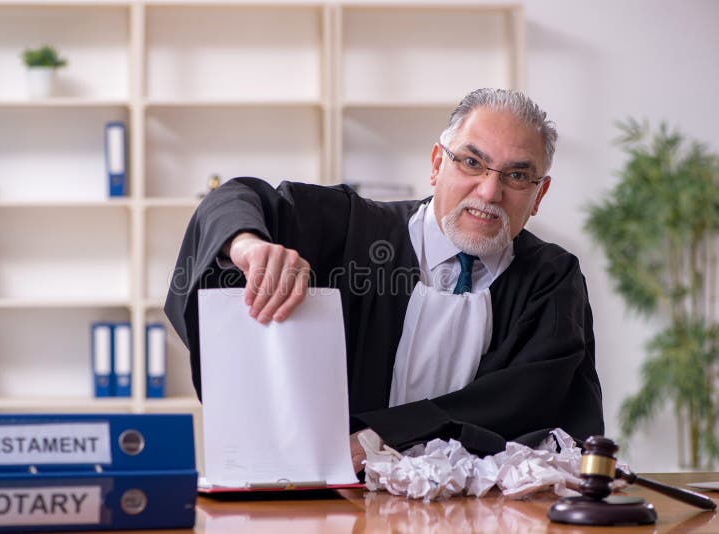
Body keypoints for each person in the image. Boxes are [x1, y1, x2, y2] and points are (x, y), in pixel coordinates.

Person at [164, 88, 604, 472]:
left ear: (539, 194)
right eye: (472, 162)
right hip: (333, 498)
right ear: (437, 165)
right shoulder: (354, 229)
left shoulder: (551, 278)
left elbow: (524, 402)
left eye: (517, 175)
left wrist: (384, 436)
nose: (490, 192)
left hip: (474, 513)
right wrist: (247, 246)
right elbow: (233, 198)